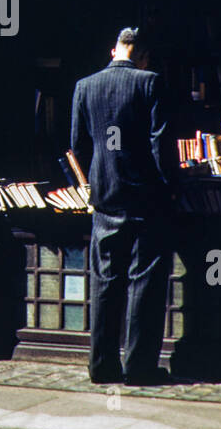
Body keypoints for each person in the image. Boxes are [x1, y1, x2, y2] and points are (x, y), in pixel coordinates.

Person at [71, 27, 178, 386]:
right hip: (147, 197)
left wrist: (96, 179)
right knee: (144, 280)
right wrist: (170, 189)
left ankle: (101, 365)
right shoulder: (150, 82)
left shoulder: (85, 86)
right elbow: (161, 144)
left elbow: (78, 144)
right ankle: (139, 367)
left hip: (105, 195)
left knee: (104, 280)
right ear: (143, 55)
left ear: (113, 49)